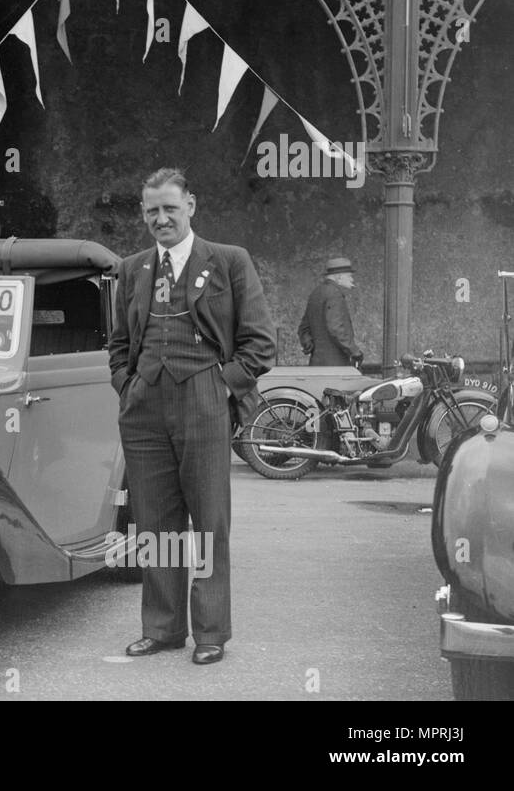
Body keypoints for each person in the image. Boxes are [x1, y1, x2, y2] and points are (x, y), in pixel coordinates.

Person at [108, 168, 275, 666]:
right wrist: (127, 385)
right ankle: (161, 628)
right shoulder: (132, 269)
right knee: (155, 525)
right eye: (152, 211)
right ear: (143, 214)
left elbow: (260, 342)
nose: (161, 219)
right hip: (144, 408)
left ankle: (210, 633)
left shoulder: (228, 261)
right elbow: (120, 344)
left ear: (191, 206)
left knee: (207, 522)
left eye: (170, 209)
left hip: (203, 400)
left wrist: (221, 385)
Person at [298, 257, 362, 367]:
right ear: (339, 277)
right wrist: (354, 351)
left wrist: (311, 347)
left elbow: (303, 328)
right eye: (349, 276)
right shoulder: (335, 294)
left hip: (316, 363)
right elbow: (335, 328)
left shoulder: (316, 293)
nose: (352, 280)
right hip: (336, 364)